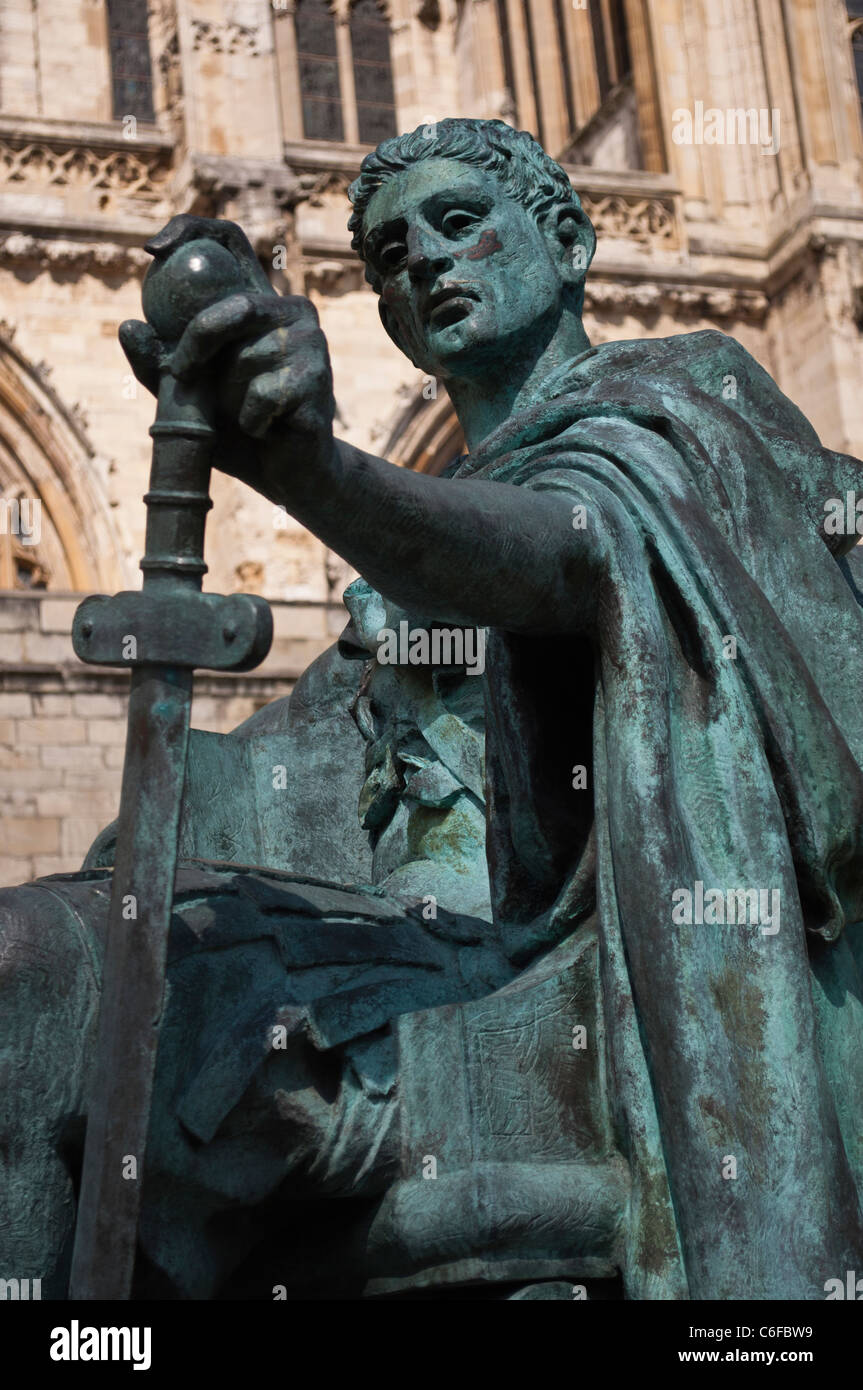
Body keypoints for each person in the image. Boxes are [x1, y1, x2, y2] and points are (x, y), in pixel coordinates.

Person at [3, 117, 863, 1300]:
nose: (424, 265)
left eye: (458, 224)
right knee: (30, 965)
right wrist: (179, 814)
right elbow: (294, 766)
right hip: (401, 941)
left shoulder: (676, 413)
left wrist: (314, 470)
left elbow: (556, 554)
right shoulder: (413, 550)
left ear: (567, 240)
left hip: (557, 987)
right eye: (389, 260)